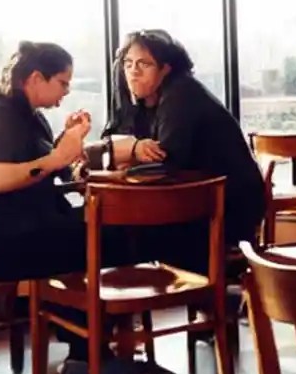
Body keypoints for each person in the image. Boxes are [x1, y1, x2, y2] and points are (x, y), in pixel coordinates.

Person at [0, 41, 144, 374]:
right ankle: (90, 354)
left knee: (90, 235)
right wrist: (57, 159)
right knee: (107, 239)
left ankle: (87, 345)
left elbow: (45, 169)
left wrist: (67, 145)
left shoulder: (23, 112)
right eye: (62, 83)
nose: (66, 91)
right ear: (36, 77)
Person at [102, 29, 266, 271]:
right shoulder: (138, 98)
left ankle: (109, 304)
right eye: (128, 64)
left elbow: (166, 161)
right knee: (112, 231)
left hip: (225, 206)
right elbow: (112, 142)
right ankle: (111, 303)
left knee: (115, 235)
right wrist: (128, 152)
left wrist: (126, 156)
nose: (133, 72)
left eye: (144, 64)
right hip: (187, 203)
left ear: (165, 68)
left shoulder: (181, 92)